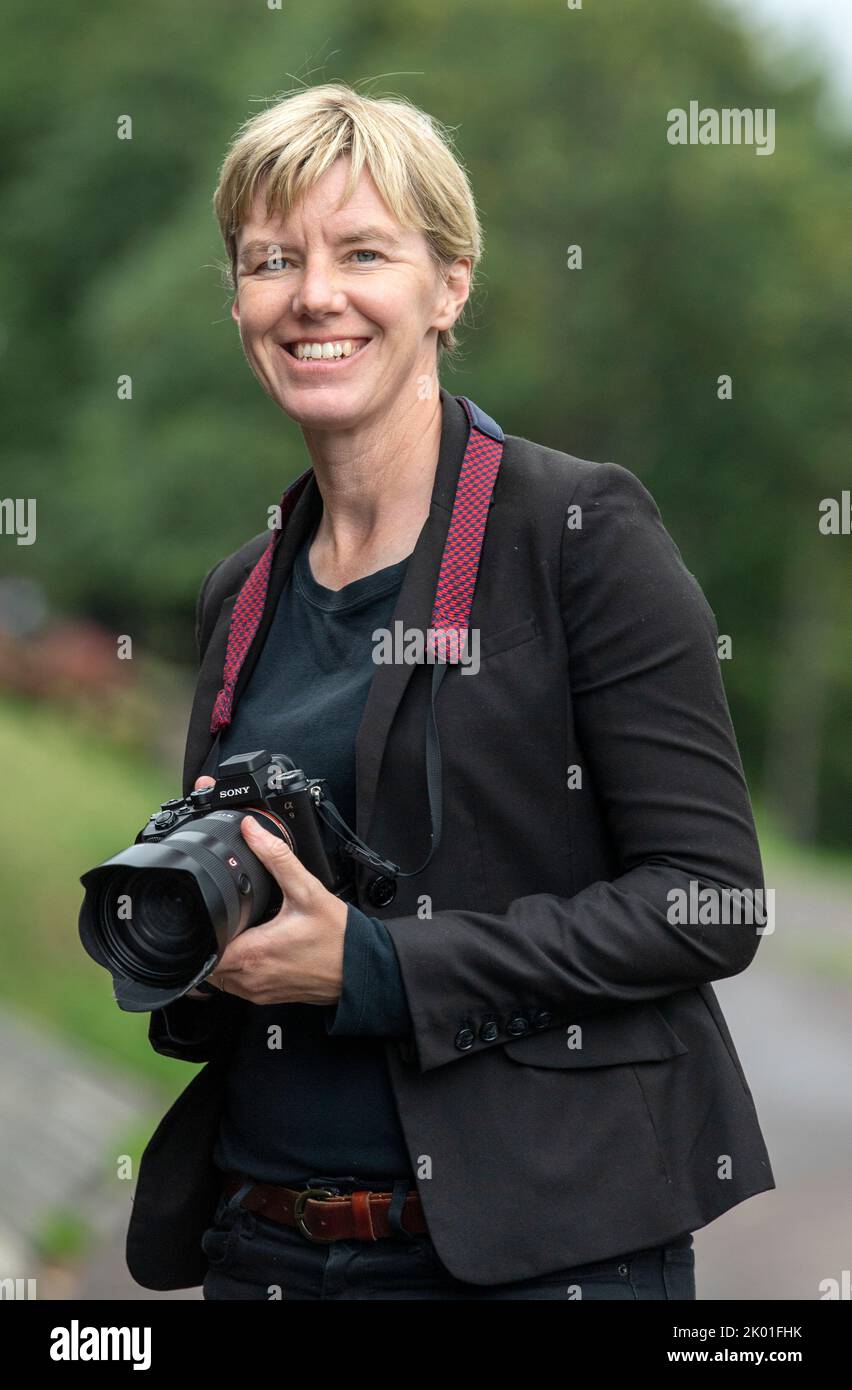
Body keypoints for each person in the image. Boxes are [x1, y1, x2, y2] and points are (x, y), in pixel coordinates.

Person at [125, 82, 775, 1301]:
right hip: (262, 1242)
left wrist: (376, 966)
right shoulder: (243, 590)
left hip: (535, 1257)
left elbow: (712, 903)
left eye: (363, 251)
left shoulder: (578, 535)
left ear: (450, 285)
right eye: (273, 260)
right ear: (240, 302)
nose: (315, 295)